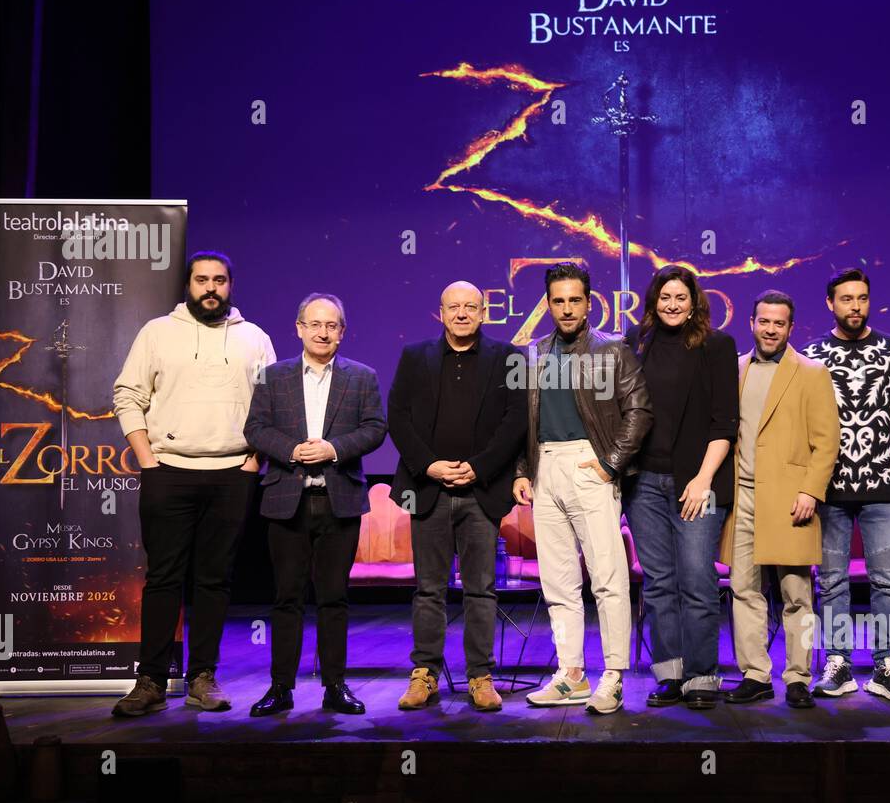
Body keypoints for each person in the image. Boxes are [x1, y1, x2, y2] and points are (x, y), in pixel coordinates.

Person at [111, 251, 275, 717]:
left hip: (232, 475)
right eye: (201, 279)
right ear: (188, 284)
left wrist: (252, 461)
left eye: (219, 280)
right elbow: (127, 394)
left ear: (230, 285)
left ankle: (203, 676)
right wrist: (148, 459)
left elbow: (271, 406)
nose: (210, 288)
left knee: (214, 580)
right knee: (163, 578)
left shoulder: (254, 338)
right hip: (169, 471)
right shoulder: (158, 333)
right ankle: (151, 681)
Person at [512, 262, 651, 714]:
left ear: (589, 303)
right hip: (545, 468)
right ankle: (571, 674)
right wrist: (520, 470)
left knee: (608, 579)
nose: (567, 308)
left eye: (575, 300)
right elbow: (525, 422)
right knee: (559, 581)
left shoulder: (613, 349)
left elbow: (640, 411)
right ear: (548, 304)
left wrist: (611, 465)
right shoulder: (534, 353)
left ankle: (612, 676)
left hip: (590, 465)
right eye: (558, 300)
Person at [242, 292, 387, 717]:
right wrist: (292, 451)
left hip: (338, 499)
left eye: (332, 325)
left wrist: (332, 449)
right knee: (286, 598)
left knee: (333, 598)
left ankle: (335, 686)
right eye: (315, 324)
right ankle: (281, 687)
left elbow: (375, 428)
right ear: (299, 328)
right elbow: (255, 427)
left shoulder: (362, 377)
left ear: (342, 332)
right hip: (287, 499)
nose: (323, 332)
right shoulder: (273, 376)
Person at [386, 281, 527, 712]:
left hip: (482, 490)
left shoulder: (510, 358)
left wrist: (479, 467)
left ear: (484, 312)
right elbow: (398, 416)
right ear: (441, 313)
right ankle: (424, 673)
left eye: (471, 307)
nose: (462, 313)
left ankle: (480, 676)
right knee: (429, 588)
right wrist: (428, 464)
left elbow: (516, 419)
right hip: (428, 487)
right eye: (454, 307)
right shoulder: (415, 357)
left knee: (481, 589)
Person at [622, 265, 738, 710]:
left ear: (694, 303)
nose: (672, 304)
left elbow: (725, 421)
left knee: (697, 579)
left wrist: (703, 479)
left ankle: (702, 675)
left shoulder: (717, 346)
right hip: (644, 483)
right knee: (659, 582)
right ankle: (669, 674)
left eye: (681, 297)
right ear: (654, 301)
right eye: (665, 297)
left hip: (698, 482)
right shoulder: (636, 343)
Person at [720, 290, 839, 709]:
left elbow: (827, 442)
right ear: (751, 323)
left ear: (790, 327)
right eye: (764, 321)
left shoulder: (810, 372)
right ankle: (755, 675)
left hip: (791, 500)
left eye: (779, 323)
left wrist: (810, 490)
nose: (770, 329)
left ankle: (798, 677)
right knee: (744, 589)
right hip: (744, 497)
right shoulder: (733, 370)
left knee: (796, 594)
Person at [802, 269, 890, 701]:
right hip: (829, 489)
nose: (855, 306)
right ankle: (839, 664)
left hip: (884, 485)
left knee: (889, 581)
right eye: (846, 299)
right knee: (831, 582)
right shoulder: (812, 357)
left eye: (862, 298)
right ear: (830, 303)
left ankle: (888, 666)